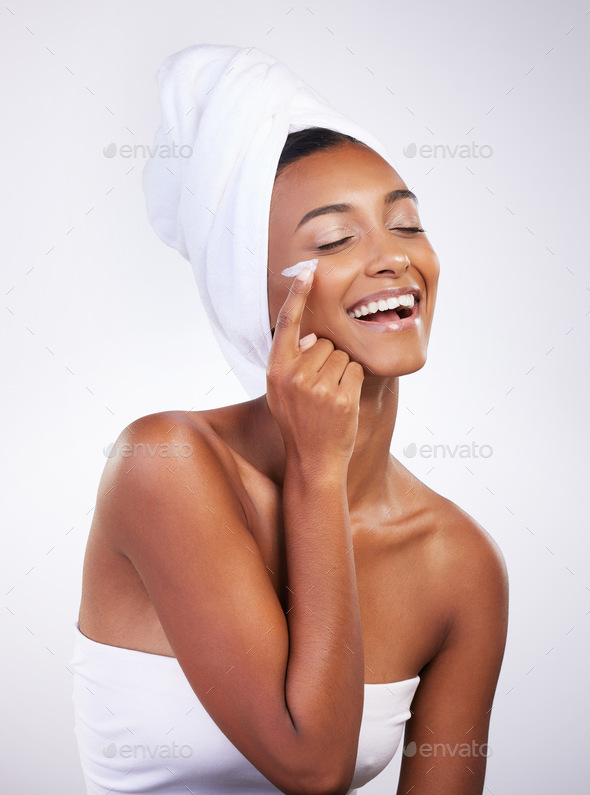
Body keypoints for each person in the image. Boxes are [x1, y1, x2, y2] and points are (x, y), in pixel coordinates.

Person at [70, 45, 508, 795]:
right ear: (256, 294)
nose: (392, 259)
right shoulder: (164, 463)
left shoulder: (459, 562)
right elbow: (312, 764)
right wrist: (315, 471)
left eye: (406, 224)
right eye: (334, 240)